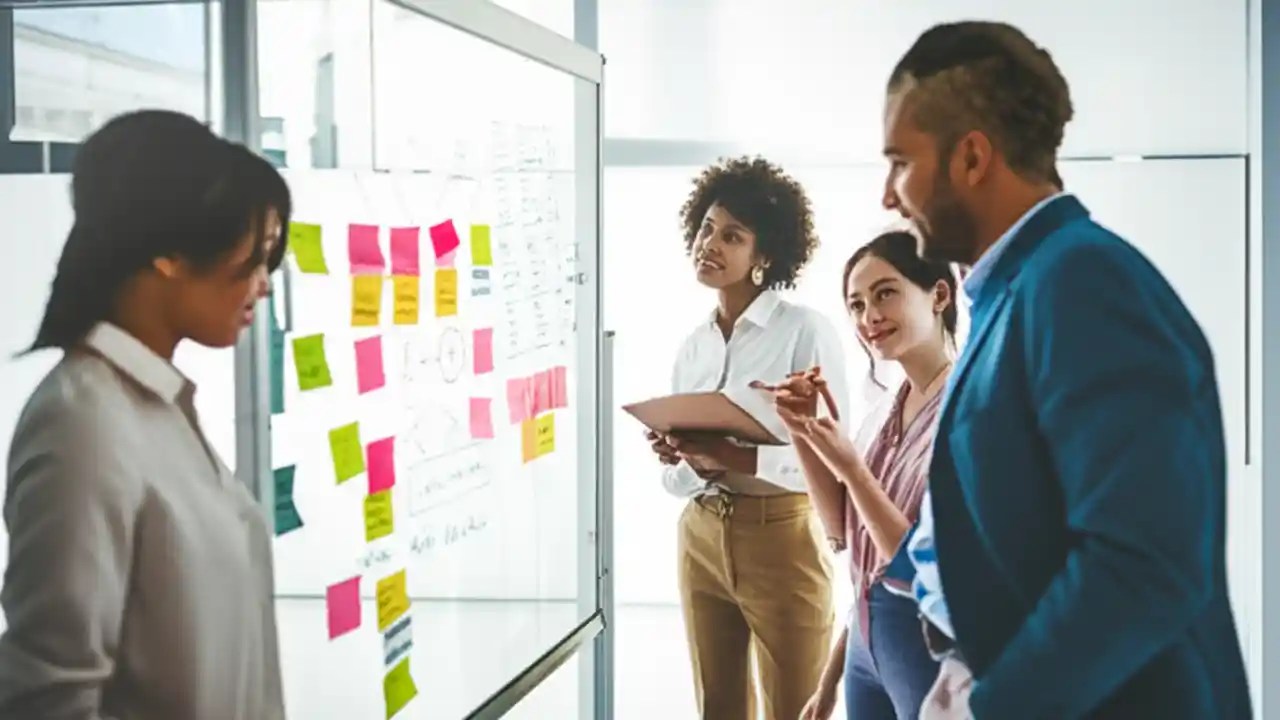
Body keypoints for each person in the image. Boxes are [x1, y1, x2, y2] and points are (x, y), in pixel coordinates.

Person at [878, 21, 1251, 718]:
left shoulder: (1082, 281)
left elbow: (1142, 567)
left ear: (972, 158)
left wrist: (992, 706)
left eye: (899, 161)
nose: (888, 195)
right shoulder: (1007, 290)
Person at [0, 110, 291, 719]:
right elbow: (51, 694)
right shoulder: (84, 425)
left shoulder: (155, 406)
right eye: (255, 257)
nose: (262, 285)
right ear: (169, 253)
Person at [646, 156, 850, 720]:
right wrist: (681, 456)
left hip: (782, 539)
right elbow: (677, 479)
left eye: (731, 235)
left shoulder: (804, 330)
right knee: (718, 709)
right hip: (701, 536)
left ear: (764, 256)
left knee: (798, 709)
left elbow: (834, 462)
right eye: (707, 228)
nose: (709, 243)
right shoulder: (694, 344)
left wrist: (733, 455)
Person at [757, 230, 957, 720]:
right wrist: (800, 429)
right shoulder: (884, 409)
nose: (869, 316)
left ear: (939, 294)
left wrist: (850, 466)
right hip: (867, 645)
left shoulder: (966, 412)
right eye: (856, 304)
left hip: (922, 642)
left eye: (885, 292)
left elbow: (917, 569)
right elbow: (844, 536)